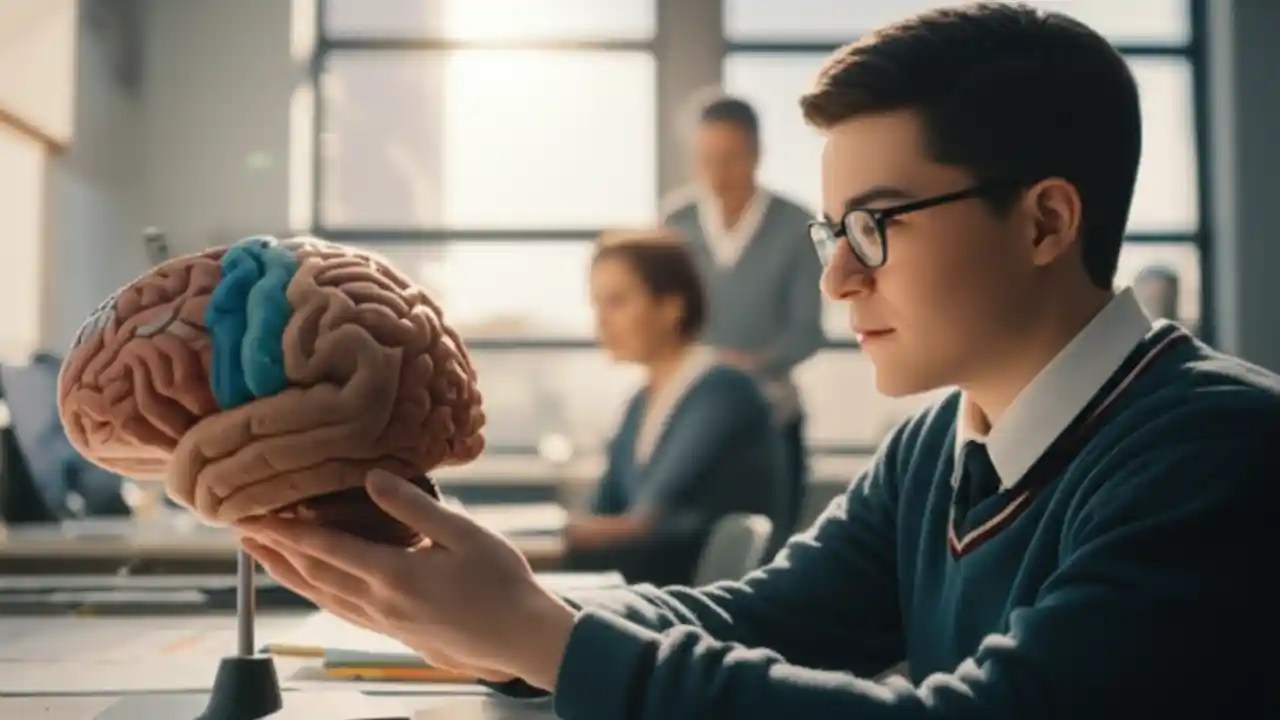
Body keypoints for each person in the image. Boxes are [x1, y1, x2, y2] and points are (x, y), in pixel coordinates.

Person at [236, 4, 1275, 718]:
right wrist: (502, 621)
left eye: (875, 226)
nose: (833, 284)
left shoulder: (1218, 447)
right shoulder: (931, 448)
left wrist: (544, 640)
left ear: (1044, 221)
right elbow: (752, 617)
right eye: (832, 233)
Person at [562, 230, 788, 585]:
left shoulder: (723, 390)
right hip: (644, 591)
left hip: (694, 603)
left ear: (671, 307)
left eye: (617, 302)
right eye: (596, 304)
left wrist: (532, 537)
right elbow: (602, 510)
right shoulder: (641, 403)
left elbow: (644, 524)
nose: (600, 322)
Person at [663, 95, 825, 539]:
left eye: (731, 158)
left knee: (769, 549)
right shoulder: (675, 223)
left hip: (772, 420)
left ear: (756, 154)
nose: (718, 174)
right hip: (692, 421)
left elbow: (806, 332)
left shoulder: (795, 225)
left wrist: (743, 368)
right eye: (707, 160)